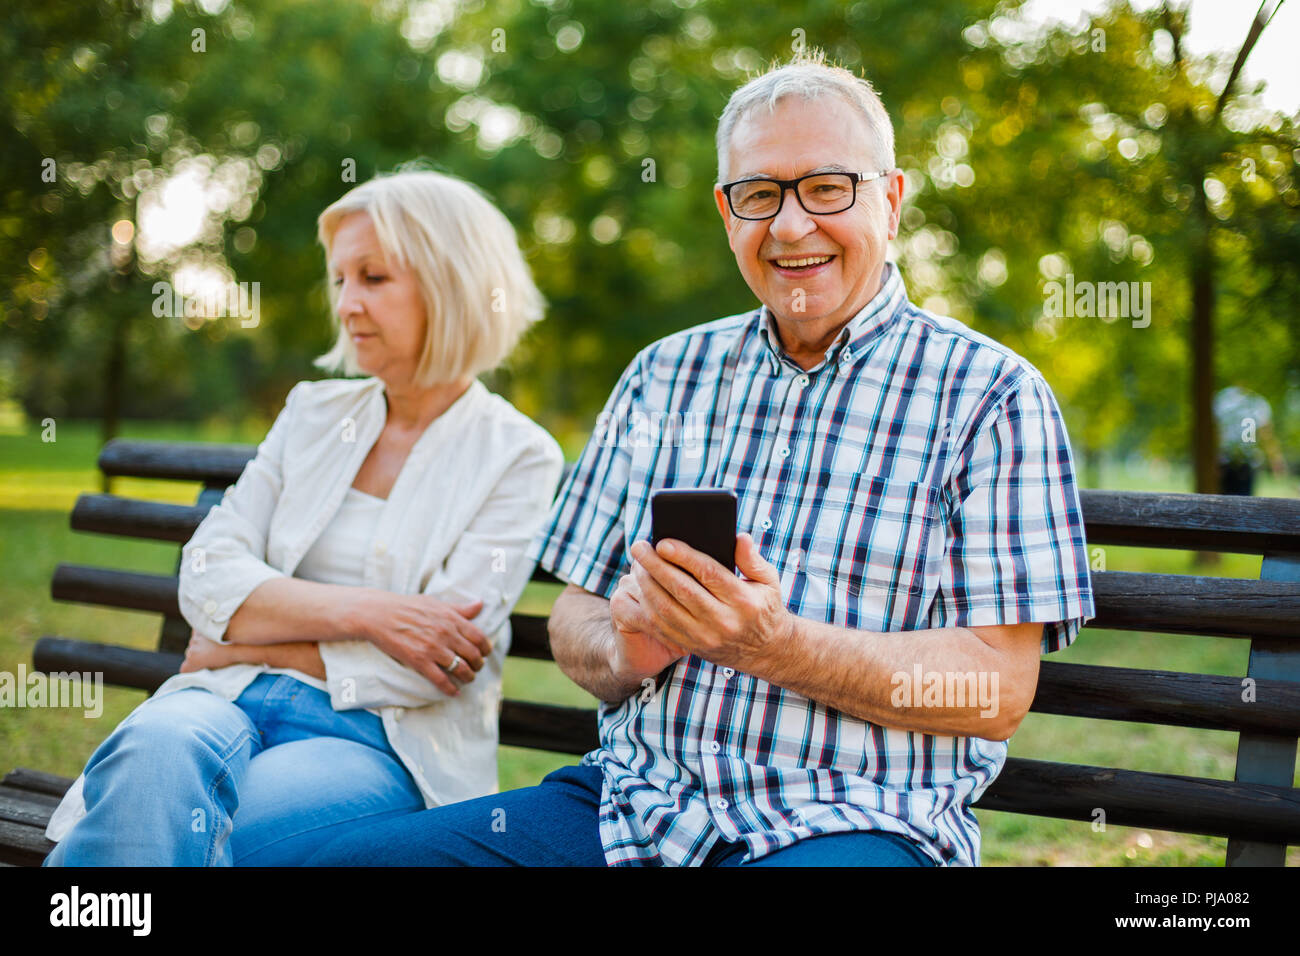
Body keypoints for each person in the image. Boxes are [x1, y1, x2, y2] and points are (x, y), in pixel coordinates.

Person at [305, 50, 1095, 868]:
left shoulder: (991, 395)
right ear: (728, 214)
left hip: (854, 823)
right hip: (626, 808)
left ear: (890, 202)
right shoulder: (662, 374)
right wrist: (625, 646)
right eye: (759, 195)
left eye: (828, 188)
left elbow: (996, 690)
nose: (791, 226)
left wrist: (773, 644)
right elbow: (574, 616)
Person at [42, 169, 564, 866]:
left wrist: (245, 640)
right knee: (155, 749)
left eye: (373, 277)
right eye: (339, 280)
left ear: (453, 281)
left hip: (380, 738)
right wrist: (370, 615)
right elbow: (207, 574)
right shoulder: (313, 412)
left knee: (176, 827)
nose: (347, 304)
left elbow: (435, 663)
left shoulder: (517, 454)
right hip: (222, 694)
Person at [1214, 385, 1287, 496]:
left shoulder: (1221, 399)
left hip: (1228, 460)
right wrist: (1276, 460)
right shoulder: (1258, 402)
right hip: (1244, 462)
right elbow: (1266, 435)